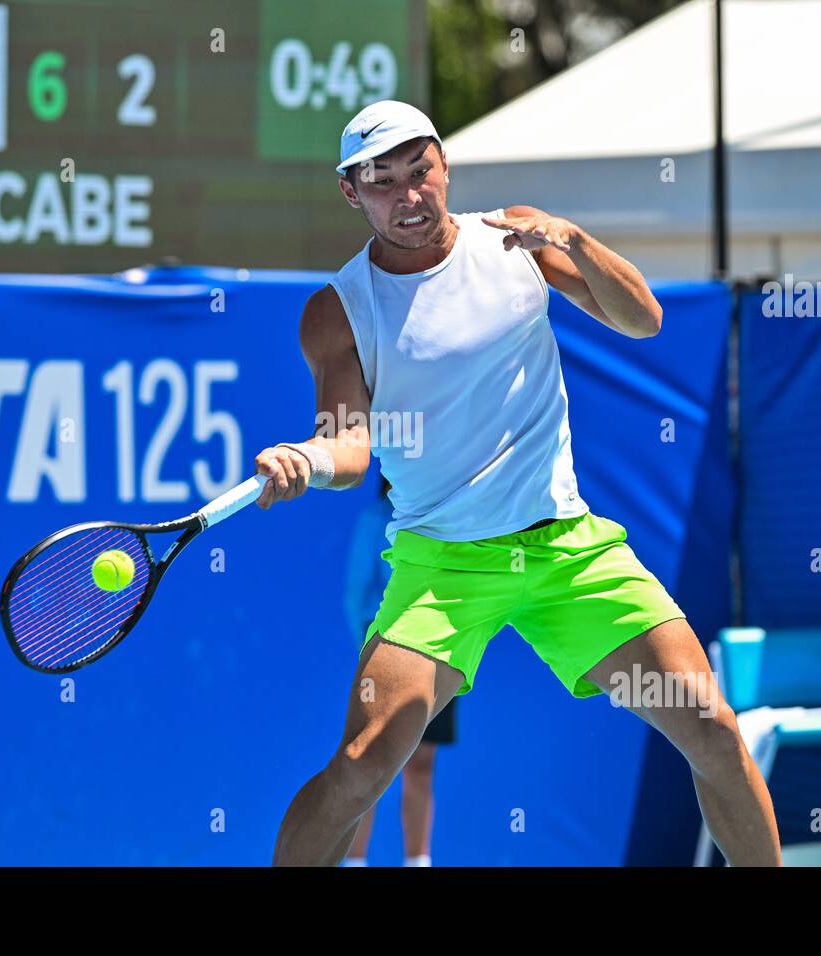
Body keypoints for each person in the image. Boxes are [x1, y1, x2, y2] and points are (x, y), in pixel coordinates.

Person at [252, 100, 781, 867]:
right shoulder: (337, 311)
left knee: (710, 724)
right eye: (383, 182)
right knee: (365, 764)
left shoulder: (515, 239)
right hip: (444, 567)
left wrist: (573, 239)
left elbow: (644, 320)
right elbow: (353, 448)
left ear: (443, 165)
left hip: (568, 550)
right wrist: (308, 458)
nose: (409, 196)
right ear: (351, 193)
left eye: (419, 171)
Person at [342, 475, 456, 867]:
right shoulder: (376, 520)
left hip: (442, 657)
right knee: (367, 764)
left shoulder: (446, 517)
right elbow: (357, 594)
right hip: (387, 661)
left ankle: (418, 862)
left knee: (421, 766)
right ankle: (355, 862)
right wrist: (378, 653)